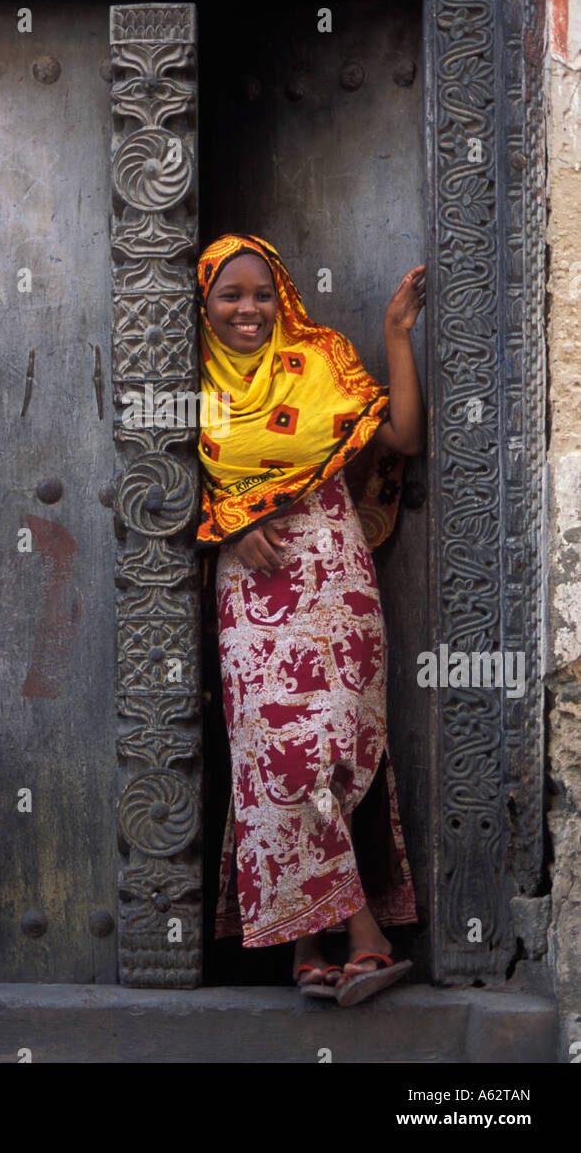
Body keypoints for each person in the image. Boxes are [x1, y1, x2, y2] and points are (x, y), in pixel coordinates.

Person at [196, 233, 425, 1006]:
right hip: (251, 594)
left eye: (261, 293)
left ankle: (309, 946)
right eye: (230, 295)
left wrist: (395, 333)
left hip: (332, 573)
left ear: (282, 297)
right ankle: (359, 936)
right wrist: (227, 520)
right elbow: (157, 476)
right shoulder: (181, 376)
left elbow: (401, 437)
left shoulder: (319, 358)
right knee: (278, 765)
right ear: (205, 302)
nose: (248, 309)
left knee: (331, 753)